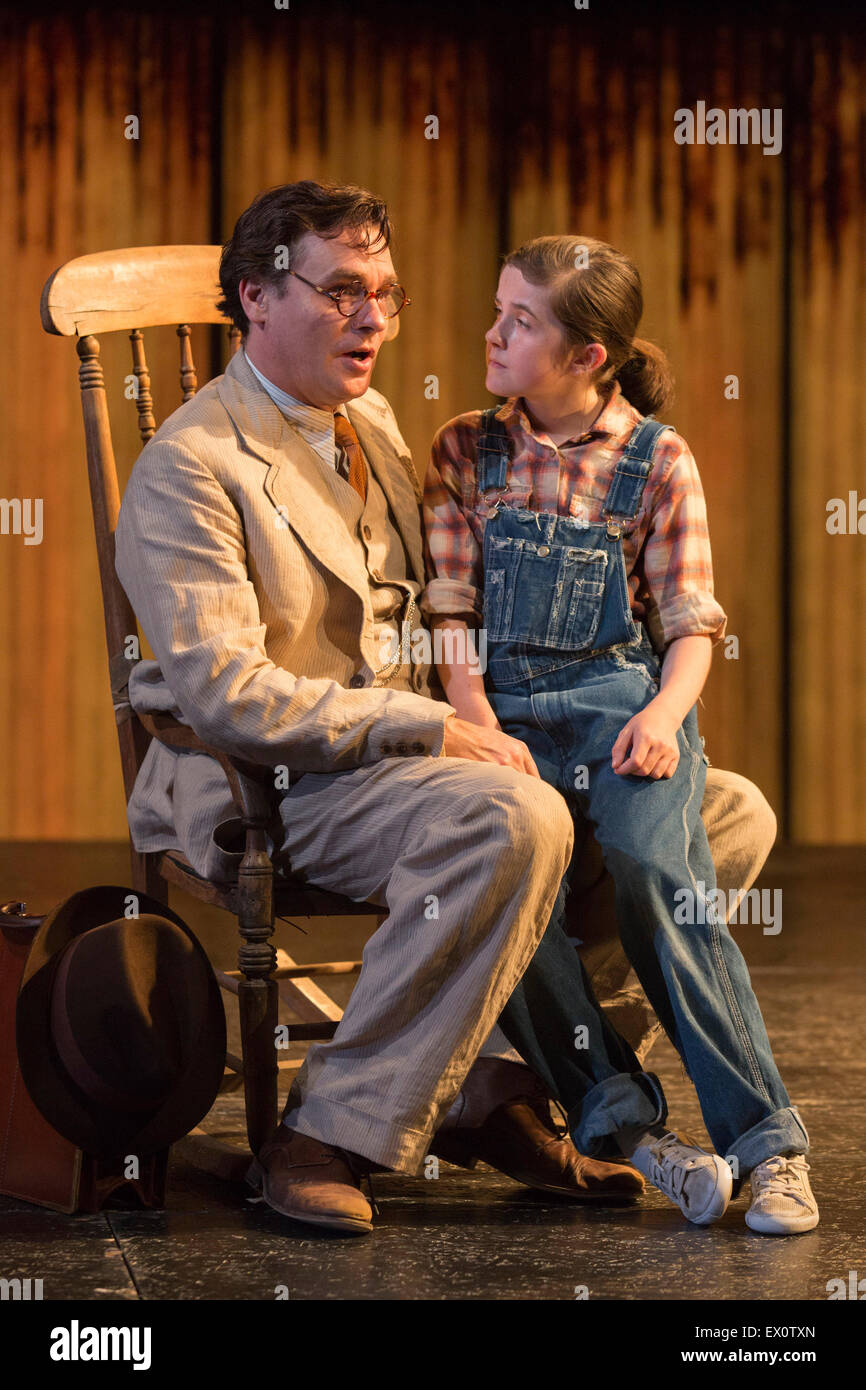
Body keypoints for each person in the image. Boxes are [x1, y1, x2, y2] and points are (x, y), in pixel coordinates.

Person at [113, 181, 779, 1237]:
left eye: (385, 293)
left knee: (723, 811)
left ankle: (490, 1077)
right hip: (279, 773)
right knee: (512, 819)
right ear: (255, 297)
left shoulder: (370, 423)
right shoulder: (189, 468)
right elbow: (226, 694)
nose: (372, 319)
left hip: (417, 756)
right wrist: (434, 725)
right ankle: (323, 1130)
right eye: (340, 292)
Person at [422, 233, 818, 1235]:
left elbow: (689, 623)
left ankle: (766, 1147)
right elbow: (450, 613)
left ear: (587, 354)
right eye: (496, 309)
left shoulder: (655, 458)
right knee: (511, 896)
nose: (491, 332)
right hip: (499, 711)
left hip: (618, 702)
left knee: (661, 882)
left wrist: (660, 717)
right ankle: (628, 1127)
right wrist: (469, 718)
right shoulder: (466, 446)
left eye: (519, 321)